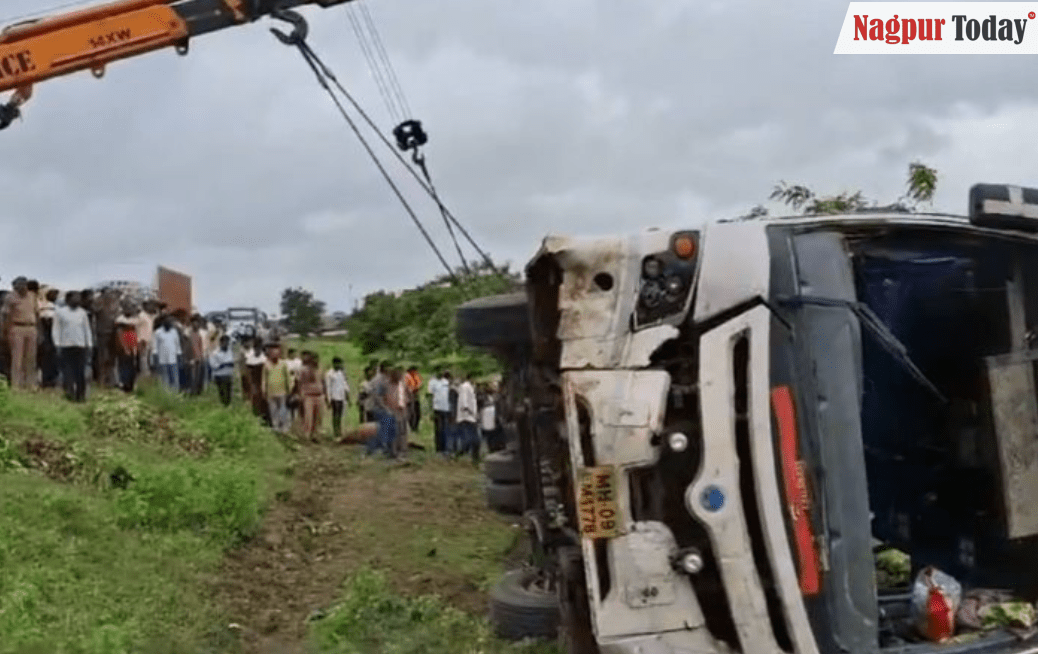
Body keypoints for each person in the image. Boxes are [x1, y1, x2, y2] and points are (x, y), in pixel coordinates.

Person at [52, 290, 93, 402]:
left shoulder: (82, 313)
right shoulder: (60, 312)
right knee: (68, 372)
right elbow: (56, 329)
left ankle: (81, 396)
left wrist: (89, 344)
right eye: (75, 298)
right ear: (67, 300)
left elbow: (87, 329)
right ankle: (70, 394)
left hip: (80, 345)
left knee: (80, 372)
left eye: (78, 298)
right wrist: (57, 344)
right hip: (66, 345)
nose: (77, 300)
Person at [1, 276, 40, 390]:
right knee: (17, 358)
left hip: (31, 328)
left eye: (23, 284)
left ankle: (31, 384)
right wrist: (5, 331)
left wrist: (39, 330)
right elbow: (5, 315)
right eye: (18, 285)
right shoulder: (10, 297)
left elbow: (36, 313)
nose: (21, 287)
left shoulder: (32, 296)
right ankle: (16, 385)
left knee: (31, 358)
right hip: (16, 327)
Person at [365, 361, 397, 459]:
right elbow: (377, 397)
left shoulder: (385, 379)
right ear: (385, 369)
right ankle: (378, 450)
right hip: (378, 408)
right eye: (389, 367)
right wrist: (386, 408)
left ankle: (385, 449)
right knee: (379, 429)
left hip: (383, 408)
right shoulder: (379, 380)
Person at [261, 342, 291, 434]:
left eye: (277, 353)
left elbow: (288, 378)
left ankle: (284, 428)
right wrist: (263, 390)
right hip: (271, 392)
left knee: (283, 410)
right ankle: (276, 427)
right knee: (273, 410)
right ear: (270, 354)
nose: (275, 355)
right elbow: (264, 379)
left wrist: (289, 390)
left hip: (282, 391)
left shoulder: (283, 364)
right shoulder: (266, 365)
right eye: (273, 353)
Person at [298, 351, 326, 441]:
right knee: (308, 417)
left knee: (318, 417)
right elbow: (299, 383)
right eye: (314, 359)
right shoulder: (304, 370)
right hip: (308, 395)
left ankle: (315, 435)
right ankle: (307, 435)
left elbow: (323, 382)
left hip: (319, 395)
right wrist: (301, 394)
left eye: (317, 359)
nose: (316, 361)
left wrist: (325, 395)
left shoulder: (320, 370)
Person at [151, 315, 182, 393]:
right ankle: (166, 396)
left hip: (173, 360)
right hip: (162, 360)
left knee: (175, 379)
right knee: (165, 379)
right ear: (163, 322)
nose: (170, 323)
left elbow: (177, 345)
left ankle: (175, 396)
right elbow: (155, 347)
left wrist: (179, 357)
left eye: (171, 322)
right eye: (168, 321)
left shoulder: (174, 332)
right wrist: (155, 360)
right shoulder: (158, 332)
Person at [38, 288, 60, 388]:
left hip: (50, 338)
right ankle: (48, 380)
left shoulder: (52, 307)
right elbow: (47, 322)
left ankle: (49, 380)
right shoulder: (48, 308)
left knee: (50, 360)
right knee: (48, 359)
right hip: (48, 338)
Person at [114, 304, 139, 393]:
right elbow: (119, 333)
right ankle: (124, 384)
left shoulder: (134, 319)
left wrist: (135, 347)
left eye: (131, 309)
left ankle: (130, 385)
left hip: (132, 346)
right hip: (123, 347)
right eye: (127, 309)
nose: (129, 311)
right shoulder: (120, 319)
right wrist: (125, 348)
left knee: (132, 366)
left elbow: (135, 333)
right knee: (124, 366)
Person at [455, 372, 479, 463]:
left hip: (470, 417)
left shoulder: (469, 387)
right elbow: (464, 403)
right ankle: (462, 454)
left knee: (472, 439)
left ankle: (472, 457)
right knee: (472, 439)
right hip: (467, 417)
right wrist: (471, 413)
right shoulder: (465, 387)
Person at [325, 356, 350, 440]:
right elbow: (328, 387)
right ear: (334, 364)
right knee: (335, 415)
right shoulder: (329, 374)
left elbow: (345, 384)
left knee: (340, 414)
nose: (340, 365)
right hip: (334, 397)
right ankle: (336, 432)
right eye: (338, 363)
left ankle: (339, 431)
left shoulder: (341, 373)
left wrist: (347, 396)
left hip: (341, 397)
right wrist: (329, 399)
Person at [428, 371, 451, 457]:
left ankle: (445, 448)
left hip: (446, 408)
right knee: (438, 429)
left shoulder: (447, 382)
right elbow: (430, 396)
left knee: (445, 428)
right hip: (437, 408)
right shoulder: (433, 381)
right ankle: (439, 448)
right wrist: (430, 410)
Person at [245, 340, 268, 423]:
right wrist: (251, 384)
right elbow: (248, 372)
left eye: (259, 347)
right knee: (255, 399)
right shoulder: (250, 358)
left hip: (262, 381)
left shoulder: (264, 358)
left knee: (263, 400)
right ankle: (256, 417)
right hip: (254, 382)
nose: (257, 349)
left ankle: (264, 418)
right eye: (256, 348)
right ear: (254, 348)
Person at [209, 335, 235, 407]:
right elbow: (213, 366)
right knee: (222, 392)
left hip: (228, 374)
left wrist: (230, 364)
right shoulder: (215, 353)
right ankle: (223, 405)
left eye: (227, 342)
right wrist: (224, 365)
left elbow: (232, 361)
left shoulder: (229, 351)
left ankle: (228, 405)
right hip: (219, 375)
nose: (226, 344)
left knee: (228, 392)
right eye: (225, 342)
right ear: (220, 343)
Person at [391, 367, 409, 457]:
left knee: (403, 430)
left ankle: (403, 449)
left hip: (403, 410)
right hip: (394, 411)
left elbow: (407, 395)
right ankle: (395, 450)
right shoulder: (390, 385)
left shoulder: (403, 384)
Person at [404, 366, 422, 431]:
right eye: (414, 370)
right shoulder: (406, 377)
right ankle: (412, 428)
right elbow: (408, 388)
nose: (416, 371)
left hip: (415, 398)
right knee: (411, 414)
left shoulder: (415, 376)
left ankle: (416, 427)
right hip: (409, 399)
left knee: (417, 414)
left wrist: (417, 387)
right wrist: (414, 388)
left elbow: (420, 383)